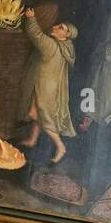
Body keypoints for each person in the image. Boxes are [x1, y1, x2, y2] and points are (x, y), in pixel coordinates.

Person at [20, 9, 78, 164]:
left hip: (46, 88)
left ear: (67, 35)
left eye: (60, 28)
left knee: (41, 116)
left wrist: (31, 18)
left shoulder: (52, 45)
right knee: (35, 112)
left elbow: (36, 35)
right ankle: (32, 139)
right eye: (57, 25)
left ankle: (60, 147)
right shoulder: (66, 46)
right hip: (48, 85)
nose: (55, 27)